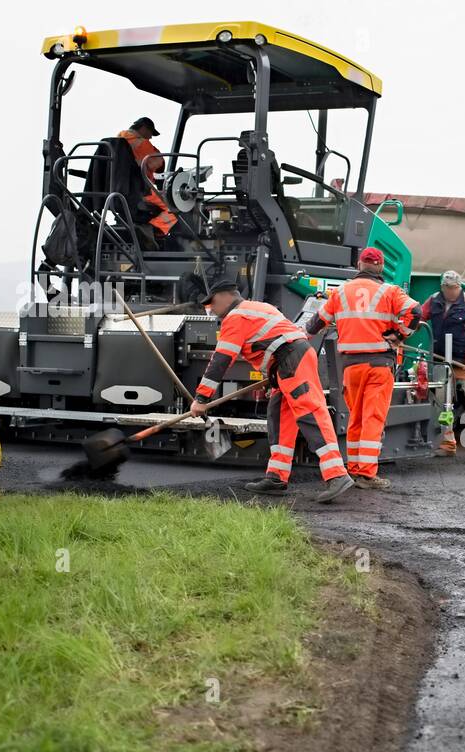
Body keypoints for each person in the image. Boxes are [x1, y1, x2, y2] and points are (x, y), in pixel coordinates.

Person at [190, 280, 353, 503]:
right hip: (286, 362)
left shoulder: (236, 318)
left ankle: (337, 475)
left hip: (291, 360)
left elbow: (220, 361)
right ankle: (276, 476)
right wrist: (272, 378)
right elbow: (272, 341)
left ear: (223, 297)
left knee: (310, 414)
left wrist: (201, 398)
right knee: (278, 415)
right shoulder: (259, 307)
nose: (212, 311)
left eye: (212, 305)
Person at [305, 248, 420, 490]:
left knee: (355, 417)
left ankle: (355, 468)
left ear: (359, 264)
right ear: (380, 267)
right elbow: (415, 312)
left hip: (350, 366)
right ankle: (367, 475)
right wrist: (401, 335)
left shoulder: (340, 292)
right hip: (379, 364)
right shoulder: (390, 292)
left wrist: (300, 338)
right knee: (373, 417)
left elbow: (317, 322)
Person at [420, 270, 465, 457]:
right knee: (443, 402)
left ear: (460, 287)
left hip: (464, 363)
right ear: (443, 287)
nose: (451, 291)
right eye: (447, 288)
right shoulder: (434, 300)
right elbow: (420, 317)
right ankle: (447, 443)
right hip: (441, 360)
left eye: (454, 288)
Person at [118, 117, 177, 237]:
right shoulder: (142, 143)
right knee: (174, 207)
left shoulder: (117, 139)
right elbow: (159, 161)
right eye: (151, 133)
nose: (150, 137)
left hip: (118, 188)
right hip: (139, 190)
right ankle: (151, 231)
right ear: (143, 128)